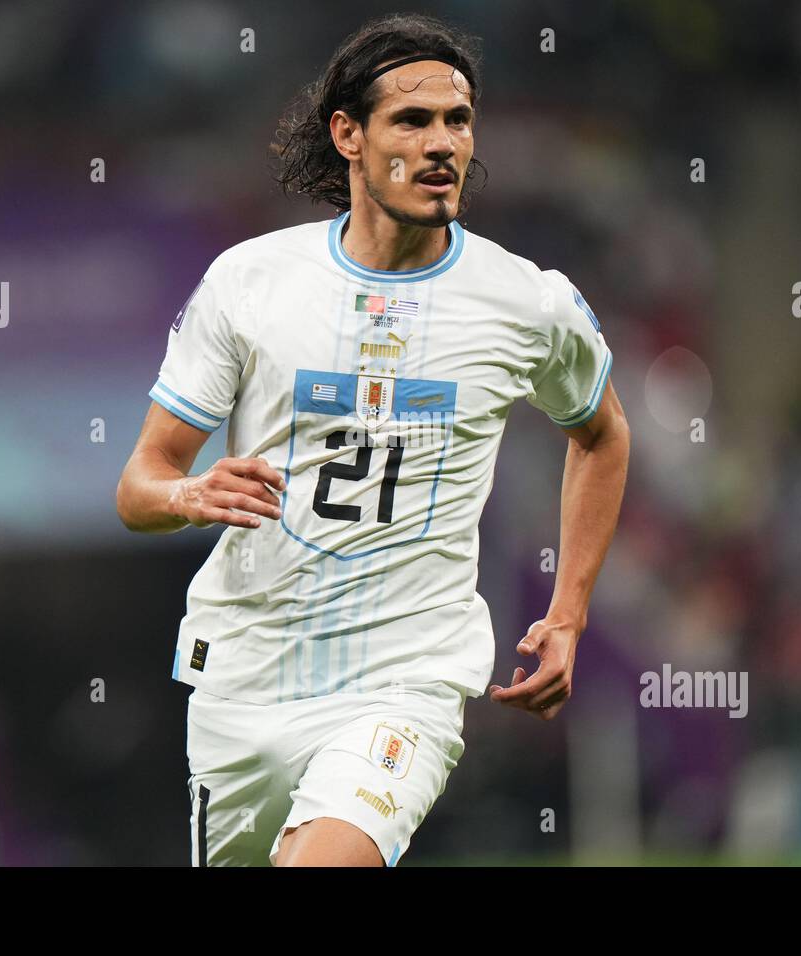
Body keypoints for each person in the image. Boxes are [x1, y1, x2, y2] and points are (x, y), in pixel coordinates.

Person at [116, 13, 630, 867]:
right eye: (413, 121)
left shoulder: (527, 303)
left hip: (406, 679)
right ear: (347, 135)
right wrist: (186, 494)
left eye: (457, 121)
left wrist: (569, 614)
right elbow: (140, 484)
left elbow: (602, 434)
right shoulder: (250, 285)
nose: (443, 144)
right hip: (245, 677)